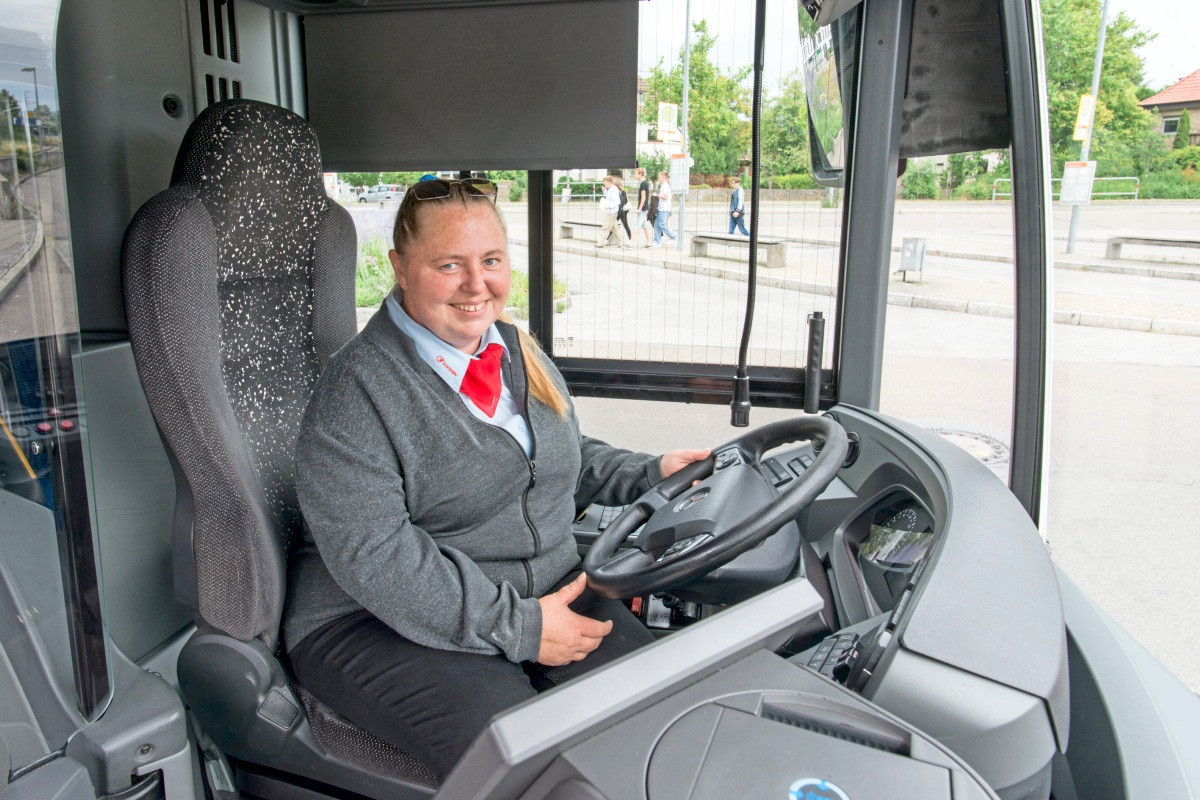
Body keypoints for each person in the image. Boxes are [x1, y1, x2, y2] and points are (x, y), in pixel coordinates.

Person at [285, 178, 709, 781]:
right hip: (369, 618)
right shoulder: (357, 391)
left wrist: (649, 472)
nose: (475, 284)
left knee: (662, 720)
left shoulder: (514, 349)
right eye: (448, 264)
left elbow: (560, 458)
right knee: (536, 770)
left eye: (490, 261)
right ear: (401, 268)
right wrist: (524, 629)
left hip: (535, 592)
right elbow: (377, 557)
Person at [595, 174, 630, 248]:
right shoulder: (611, 189)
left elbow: (617, 201)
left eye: (605, 182)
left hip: (611, 212)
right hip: (611, 212)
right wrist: (604, 191)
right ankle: (622, 242)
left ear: (609, 182)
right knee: (615, 228)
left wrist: (609, 206)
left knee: (605, 227)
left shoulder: (613, 189)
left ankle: (600, 243)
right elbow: (609, 198)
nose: (604, 183)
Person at [651, 171, 677, 247]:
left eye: (659, 177)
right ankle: (657, 242)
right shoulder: (664, 185)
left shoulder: (665, 186)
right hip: (661, 208)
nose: (658, 178)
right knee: (656, 224)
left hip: (664, 209)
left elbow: (665, 197)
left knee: (662, 225)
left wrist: (656, 195)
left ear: (663, 177)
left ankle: (674, 237)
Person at [634, 167, 654, 246]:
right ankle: (649, 242)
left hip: (643, 208)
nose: (634, 176)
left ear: (640, 174)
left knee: (636, 226)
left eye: (635, 174)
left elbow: (643, 197)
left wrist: (639, 209)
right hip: (644, 208)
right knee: (644, 226)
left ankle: (630, 243)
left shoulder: (643, 183)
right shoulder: (644, 183)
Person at [614, 176, 632, 241]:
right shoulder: (615, 192)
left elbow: (623, 202)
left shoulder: (623, 192)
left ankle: (630, 239)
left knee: (626, 225)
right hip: (617, 212)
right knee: (613, 225)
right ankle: (606, 239)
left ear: (617, 186)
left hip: (623, 212)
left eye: (614, 186)